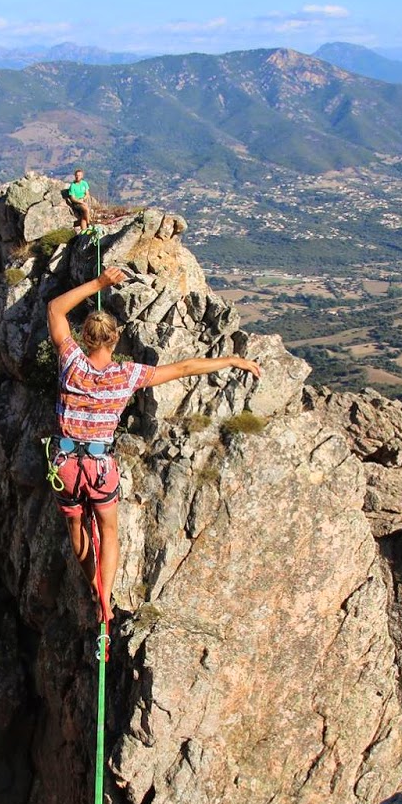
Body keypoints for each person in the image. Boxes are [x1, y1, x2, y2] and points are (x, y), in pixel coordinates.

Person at [47, 266, 261, 623]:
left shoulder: (71, 362)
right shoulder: (127, 374)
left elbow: (55, 308)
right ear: (115, 340)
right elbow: (185, 368)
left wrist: (100, 283)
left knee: (76, 529)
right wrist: (232, 360)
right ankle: (106, 599)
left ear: (84, 337)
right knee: (108, 531)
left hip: (65, 463)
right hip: (101, 467)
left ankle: (92, 585)